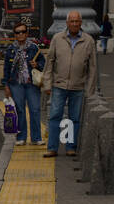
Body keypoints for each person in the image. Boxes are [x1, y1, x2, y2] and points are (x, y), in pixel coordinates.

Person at [41, 10, 97, 159]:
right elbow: (49, 63)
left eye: (77, 21)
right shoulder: (57, 38)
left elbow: (92, 68)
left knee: (74, 119)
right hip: (59, 85)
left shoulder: (88, 40)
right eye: (71, 21)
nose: (74, 24)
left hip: (78, 87)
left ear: (80, 23)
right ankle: (52, 148)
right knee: (54, 116)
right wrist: (47, 84)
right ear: (67, 23)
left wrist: (89, 90)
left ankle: (71, 147)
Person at [1, 22, 44, 146]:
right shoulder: (10, 50)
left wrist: (38, 65)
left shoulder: (34, 48)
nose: (20, 34)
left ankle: (36, 138)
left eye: (23, 32)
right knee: (20, 110)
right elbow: (6, 69)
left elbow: (43, 62)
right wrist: (6, 86)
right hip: (16, 84)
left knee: (35, 109)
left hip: (32, 84)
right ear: (14, 35)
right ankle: (21, 137)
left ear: (27, 33)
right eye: (17, 32)